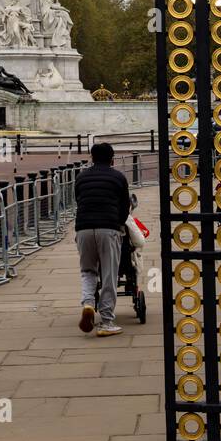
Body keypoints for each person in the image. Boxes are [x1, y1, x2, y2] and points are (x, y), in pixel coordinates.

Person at [74, 141, 130, 337]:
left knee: (88, 271)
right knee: (109, 275)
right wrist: (119, 224)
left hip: (83, 229)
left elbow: (78, 201)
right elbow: (125, 207)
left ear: (92, 158)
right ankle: (106, 321)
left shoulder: (81, 177)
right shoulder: (118, 177)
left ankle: (88, 303)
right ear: (112, 159)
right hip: (109, 228)